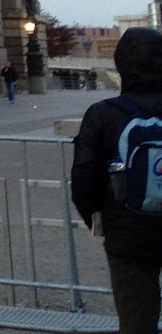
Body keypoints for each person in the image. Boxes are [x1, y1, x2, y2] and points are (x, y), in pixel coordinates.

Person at [71, 27, 162, 334]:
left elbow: (84, 180)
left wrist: (103, 220)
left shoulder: (103, 114)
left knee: (137, 320)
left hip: (128, 234)